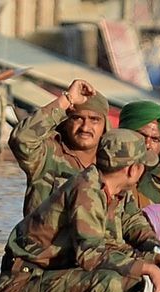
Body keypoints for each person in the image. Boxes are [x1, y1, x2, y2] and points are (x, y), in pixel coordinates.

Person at [0, 129, 160, 292]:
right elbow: (90, 255)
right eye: (142, 166)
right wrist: (151, 269)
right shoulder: (87, 192)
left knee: (132, 279)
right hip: (25, 283)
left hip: (55, 277)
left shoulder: (116, 192)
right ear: (132, 169)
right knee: (108, 283)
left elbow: (117, 242)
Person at [9, 79, 109, 216]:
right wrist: (67, 99)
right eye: (77, 118)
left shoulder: (111, 162)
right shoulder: (47, 154)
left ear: (105, 126)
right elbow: (22, 139)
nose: (85, 127)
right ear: (67, 122)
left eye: (94, 120)